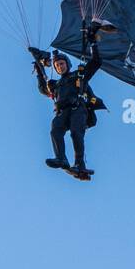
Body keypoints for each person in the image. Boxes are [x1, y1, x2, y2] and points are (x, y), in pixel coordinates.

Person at [30, 24, 106, 179]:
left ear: (67, 65)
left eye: (62, 64)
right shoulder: (56, 85)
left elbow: (96, 62)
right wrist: (39, 67)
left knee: (76, 133)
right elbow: (43, 89)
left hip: (78, 109)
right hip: (62, 111)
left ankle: (79, 164)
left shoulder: (79, 76)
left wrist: (93, 43)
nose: (59, 66)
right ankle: (61, 158)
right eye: (57, 65)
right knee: (55, 129)